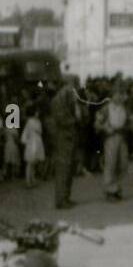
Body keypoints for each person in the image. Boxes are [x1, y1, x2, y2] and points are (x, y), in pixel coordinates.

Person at [49, 76, 82, 209]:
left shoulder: (68, 99)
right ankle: (61, 200)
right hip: (62, 138)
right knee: (63, 170)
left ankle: (66, 197)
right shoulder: (58, 100)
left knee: (69, 169)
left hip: (69, 138)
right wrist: (75, 119)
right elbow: (62, 120)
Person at [101, 83, 130, 200]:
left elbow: (128, 122)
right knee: (111, 163)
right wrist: (105, 128)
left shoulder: (124, 108)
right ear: (111, 95)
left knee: (122, 163)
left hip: (122, 137)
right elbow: (97, 123)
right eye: (116, 94)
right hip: (111, 137)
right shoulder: (106, 109)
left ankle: (118, 188)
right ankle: (109, 190)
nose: (118, 97)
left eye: (120, 94)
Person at [22, 103, 46, 188]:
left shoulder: (38, 121)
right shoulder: (30, 121)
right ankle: (28, 181)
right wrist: (26, 141)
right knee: (30, 162)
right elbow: (26, 132)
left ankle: (33, 179)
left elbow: (40, 131)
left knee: (34, 162)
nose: (37, 114)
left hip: (38, 142)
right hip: (32, 142)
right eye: (36, 112)